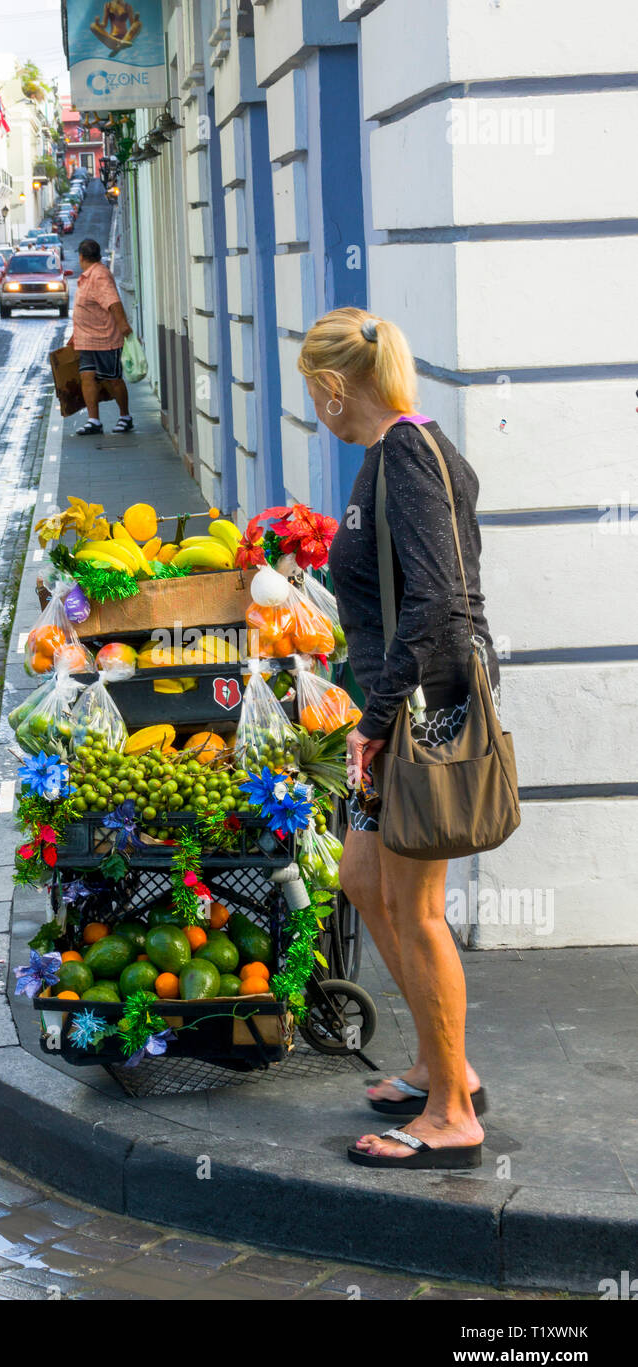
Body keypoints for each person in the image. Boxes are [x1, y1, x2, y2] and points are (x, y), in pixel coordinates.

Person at [297, 306, 500, 1171]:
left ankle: (454, 1111)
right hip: (404, 714)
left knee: (416, 913)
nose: (316, 409)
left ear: (335, 387)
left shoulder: (407, 459)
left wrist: (376, 723)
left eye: (315, 393)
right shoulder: (405, 452)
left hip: (417, 722)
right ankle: (434, 1061)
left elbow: (439, 603)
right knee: (361, 879)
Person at [68, 238, 134, 435]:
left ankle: (125, 417)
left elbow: (113, 302)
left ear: (81, 257)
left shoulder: (99, 275)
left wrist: (123, 326)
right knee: (87, 377)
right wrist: (75, 335)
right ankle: (94, 420)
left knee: (113, 379)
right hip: (86, 339)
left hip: (105, 339)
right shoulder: (88, 276)